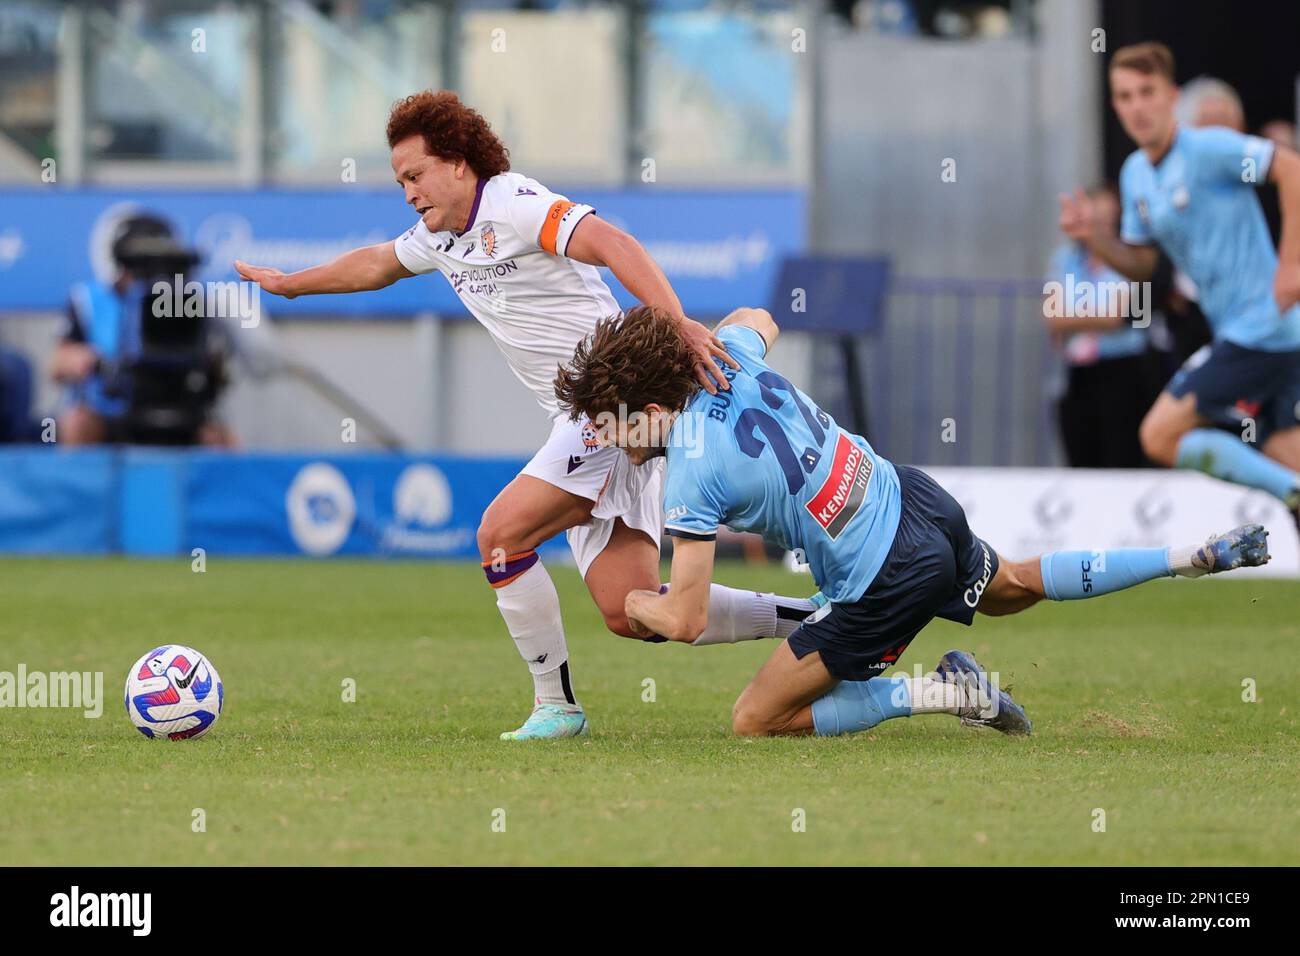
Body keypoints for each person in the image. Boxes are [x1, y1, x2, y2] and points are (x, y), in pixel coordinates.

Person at [235, 91, 816, 740]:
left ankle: (556, 706)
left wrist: (675, 318)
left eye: (414, 175)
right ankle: (816, 619)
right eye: (400, 181)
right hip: (582, 421)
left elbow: (610, 240)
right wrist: (291, 284)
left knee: (500, 536)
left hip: (607, 408)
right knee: (632, 614)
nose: (408, 193)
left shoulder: (512, 204)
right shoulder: (438, 236)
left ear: (458, 164)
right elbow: (374, 264)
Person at [552, 305, 1270, 739]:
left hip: (882, 579)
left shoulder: (690, 471)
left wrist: (632, 603)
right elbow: (760, 319)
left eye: (613, 428)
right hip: (917, 499)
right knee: (1014, 582)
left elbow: (684, 617)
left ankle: (937, 691)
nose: (615, 443)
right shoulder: (730, 358)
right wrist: (700, 336)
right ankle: (1184, 555)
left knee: (756, 719)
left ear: (650, 411)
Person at [1059, 42, 1300, 534]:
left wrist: (1292, 265)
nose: (1137, 106)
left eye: (1147, 92)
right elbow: (1145, 264)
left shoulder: (1206, 150)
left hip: (1262, 329)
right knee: (1283, 451)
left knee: (1159, 435)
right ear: (1115, 105)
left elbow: (1291, 168)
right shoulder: (1136, 175)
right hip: (1246, 334)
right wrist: (1095, 239)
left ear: (1171, 96)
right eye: (1125, 96)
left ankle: (1290, 496)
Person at [1043, 183, 1163, 467]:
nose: (1101, 229)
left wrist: (1076, 316)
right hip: (1078, 375)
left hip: (1124, 371)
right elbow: (1053, 317)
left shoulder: (1134, 262)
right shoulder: (1066, 259)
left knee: (1121, 461)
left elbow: (1118, 316)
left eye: (1108, 221)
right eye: (1095, 221)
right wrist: (1101, 315)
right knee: (1082, 462)